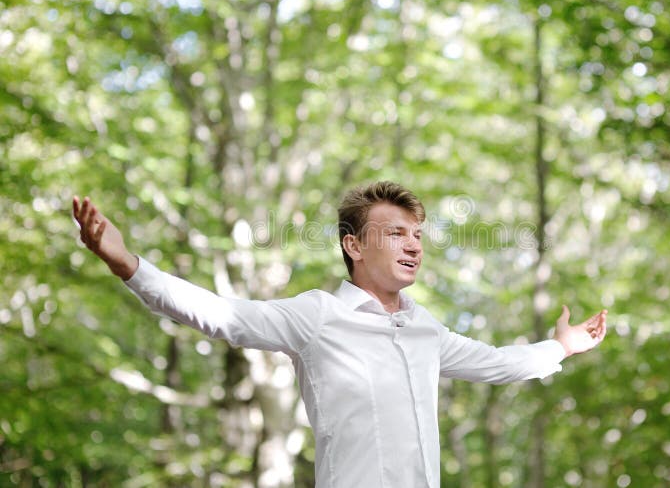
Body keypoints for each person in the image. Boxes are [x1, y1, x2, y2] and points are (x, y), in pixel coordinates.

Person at [73, 181, 607, 488]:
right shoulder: (317, 317)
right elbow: (224, 316)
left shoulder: (426, 330)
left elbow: (499, 363)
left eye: (418, 234)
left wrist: (561, 346)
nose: (414, 245)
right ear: (354, 247)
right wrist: (128, 265)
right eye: (396, 233)